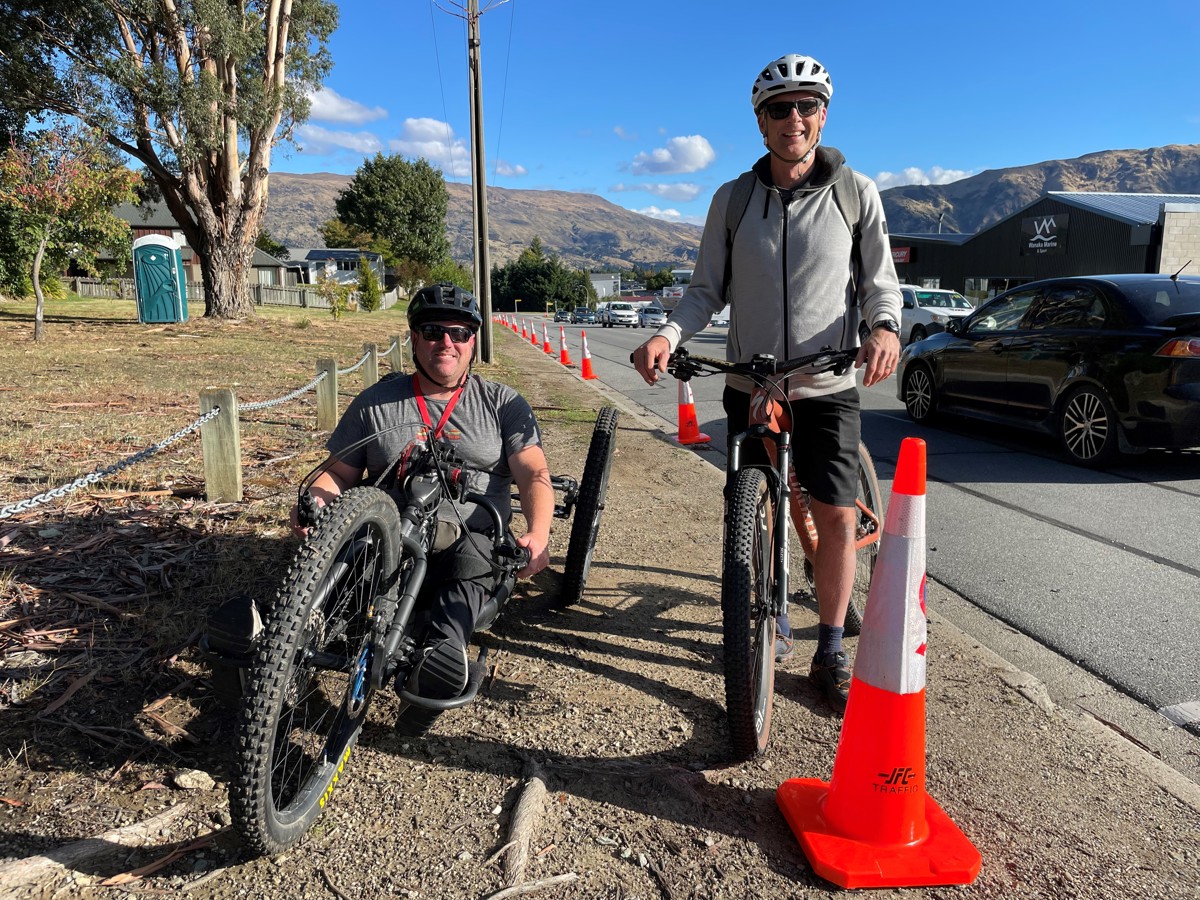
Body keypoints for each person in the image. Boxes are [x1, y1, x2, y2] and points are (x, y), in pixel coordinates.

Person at [632, 54, 902, 713]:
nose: (795, 119)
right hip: (752, 384)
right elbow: (703, 292)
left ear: (823, 116)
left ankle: (831, 647)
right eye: (780, 109)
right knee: (754, 505)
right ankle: (763, 607)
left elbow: (879, 283)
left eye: (807, 106)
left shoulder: (854, 192)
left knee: (836, 518)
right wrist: (668, 337)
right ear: (760, 122)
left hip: (826, 382)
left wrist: (885, 328)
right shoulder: (733, 201)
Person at [291, 282, 553, 735]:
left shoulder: (502, 403)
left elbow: (533, 473)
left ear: (474, 341)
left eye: (459, 332)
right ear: (413, 338)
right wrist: (317, 501)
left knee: (468, 575)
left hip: (471, 533)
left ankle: (440, 663)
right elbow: (337, 474)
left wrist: (539, 533)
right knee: (350, 572)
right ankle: (286, 641)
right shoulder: (376, 401)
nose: (445, 343)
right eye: (432, 331)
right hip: (391, 529)